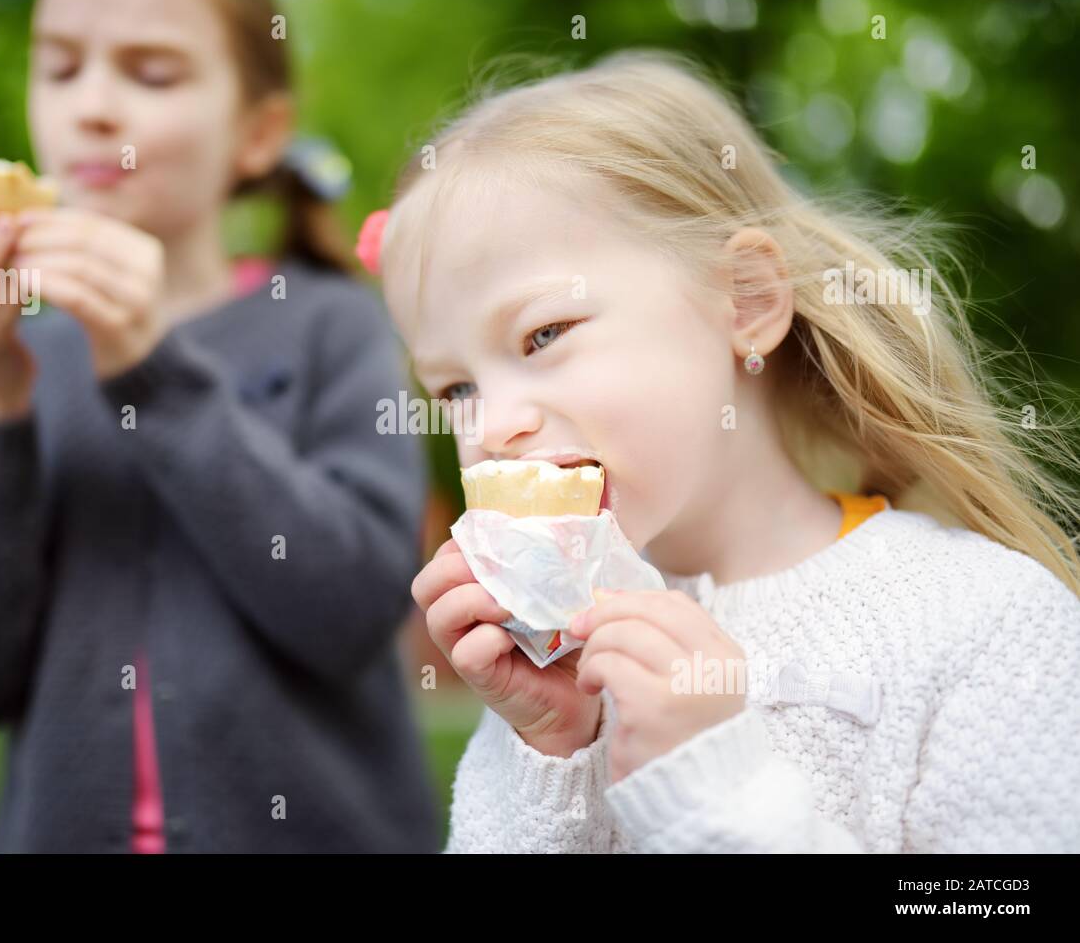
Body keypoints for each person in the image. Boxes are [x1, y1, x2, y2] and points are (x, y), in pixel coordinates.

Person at [367, 51, 1080, 852]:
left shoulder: (983, 619)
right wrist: (549, 753)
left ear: (745, 301)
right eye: (454, 389)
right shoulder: (553, 666)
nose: (491, 426)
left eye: (543, 335)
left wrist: (717, 786)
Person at [0, 0, 439, 853]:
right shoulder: (15, 357)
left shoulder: (332, 322)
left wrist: (155, 373)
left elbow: (356, 610)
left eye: (150, 73)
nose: (94, 108)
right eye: (60, 66)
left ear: (257, 132)